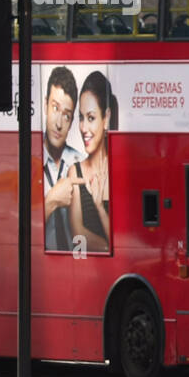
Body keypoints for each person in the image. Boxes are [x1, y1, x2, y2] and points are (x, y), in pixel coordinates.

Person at [66, 71, 116, 253]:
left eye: (91, 118)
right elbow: (77, 236)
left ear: (106, 118)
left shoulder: (118, 171)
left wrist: (100, 208)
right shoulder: (75, 172)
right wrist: (108, 246)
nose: (83, 128)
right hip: (85, 269)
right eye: (81, 117)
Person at [42, 66, 83, 252]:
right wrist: (51, 201)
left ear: (72, 120)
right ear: (45, 106)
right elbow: (13, 231)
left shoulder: (81, 164)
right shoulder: (25, 163)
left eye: (66, 116)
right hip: (38, 269)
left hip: (76, 265)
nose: (59, 124)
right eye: (55, 108)